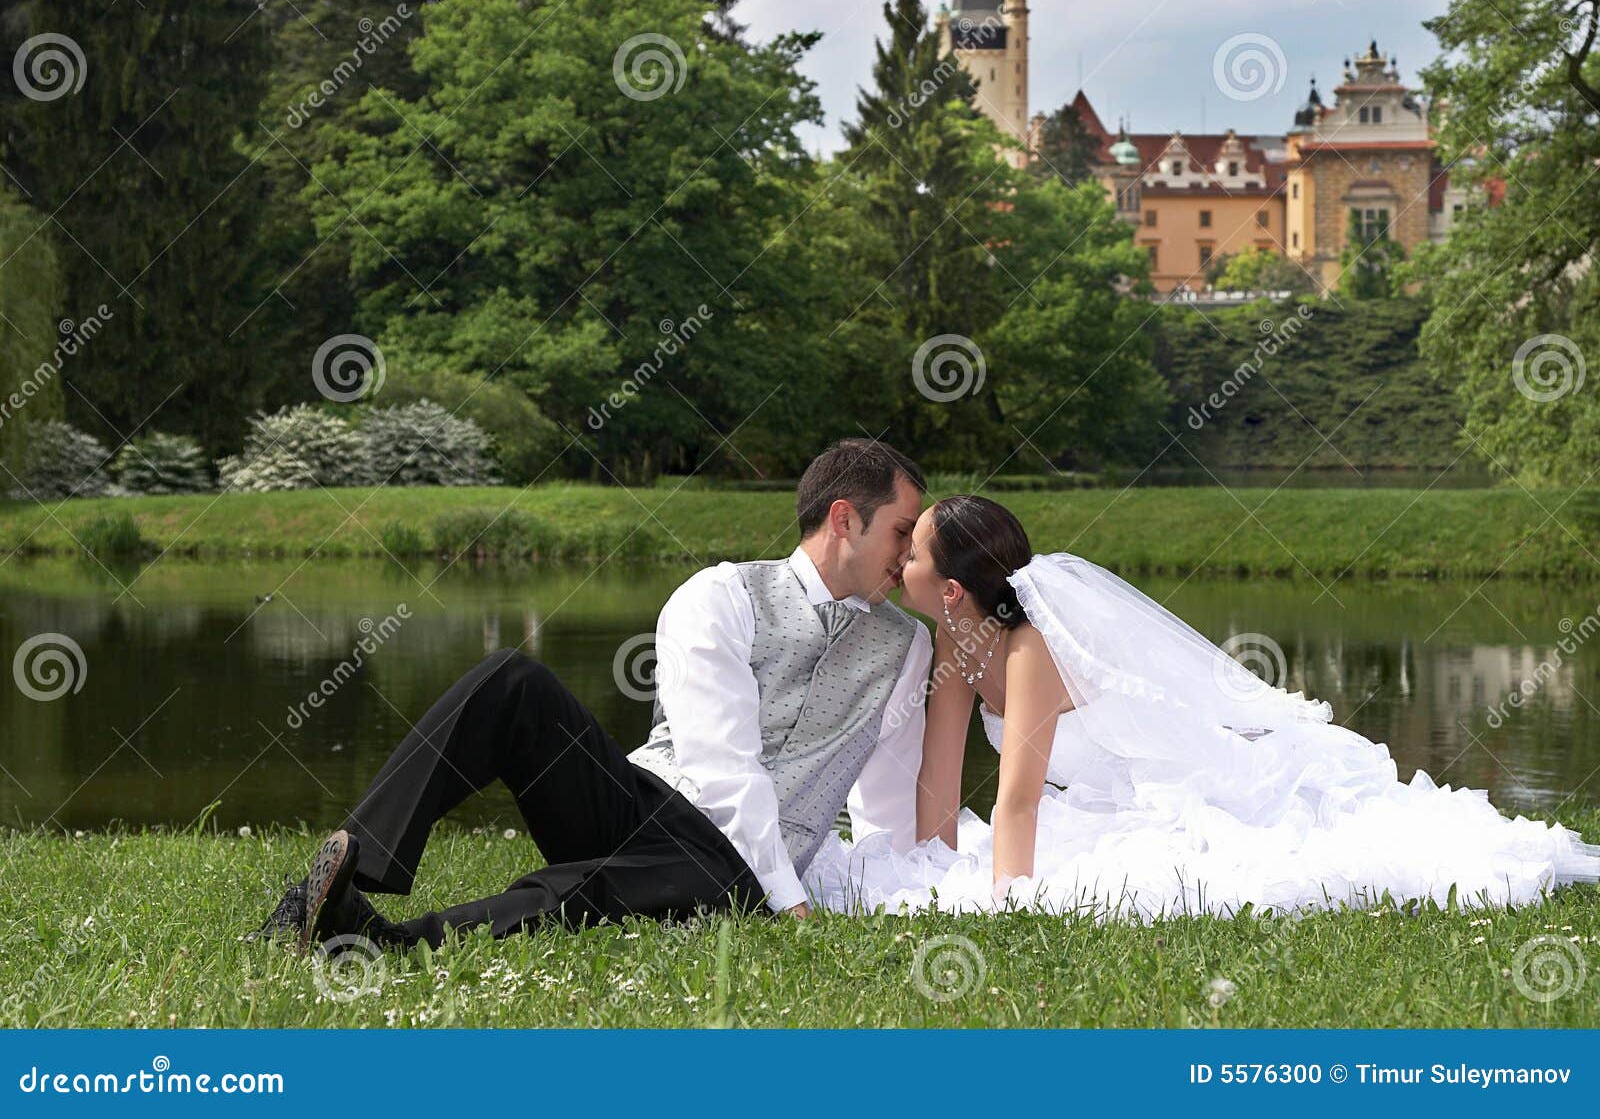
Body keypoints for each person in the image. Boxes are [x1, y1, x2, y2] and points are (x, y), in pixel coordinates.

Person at [248, 438, 933, 952]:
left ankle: (383, 943)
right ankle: (334, 880)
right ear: (844, 519)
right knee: (513, 683)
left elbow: (887, 800)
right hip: (645, 801)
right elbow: (721, 764)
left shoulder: (907, 647)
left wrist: (854, 885)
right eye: (902, 531)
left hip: (732, 875)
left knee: (611, 890)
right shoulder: (722, 594)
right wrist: (792, 898)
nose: (907, 554)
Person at [804, 494, 1600, 919]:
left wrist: (1008, 902)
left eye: (912, 549)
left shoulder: (1029, 648)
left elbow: (1016, 800)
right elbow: (940, 780)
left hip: (1191, 783)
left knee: (1293, 846)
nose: (898, 558)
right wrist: (933, 866)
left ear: (950, 588)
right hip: (1110, 798)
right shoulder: (953, 642)